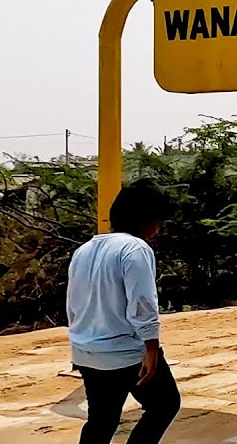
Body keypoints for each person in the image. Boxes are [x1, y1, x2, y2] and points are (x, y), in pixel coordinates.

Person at [66, 179, 180, 444]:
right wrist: (151, 347)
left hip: (87, 351)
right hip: (126, 353)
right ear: (145, 219)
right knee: (165, 404)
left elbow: (74, 303)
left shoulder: (83, 250)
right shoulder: (135, 249)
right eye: (158, 221)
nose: (159, 229)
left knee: (101, 420)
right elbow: (142, 303)